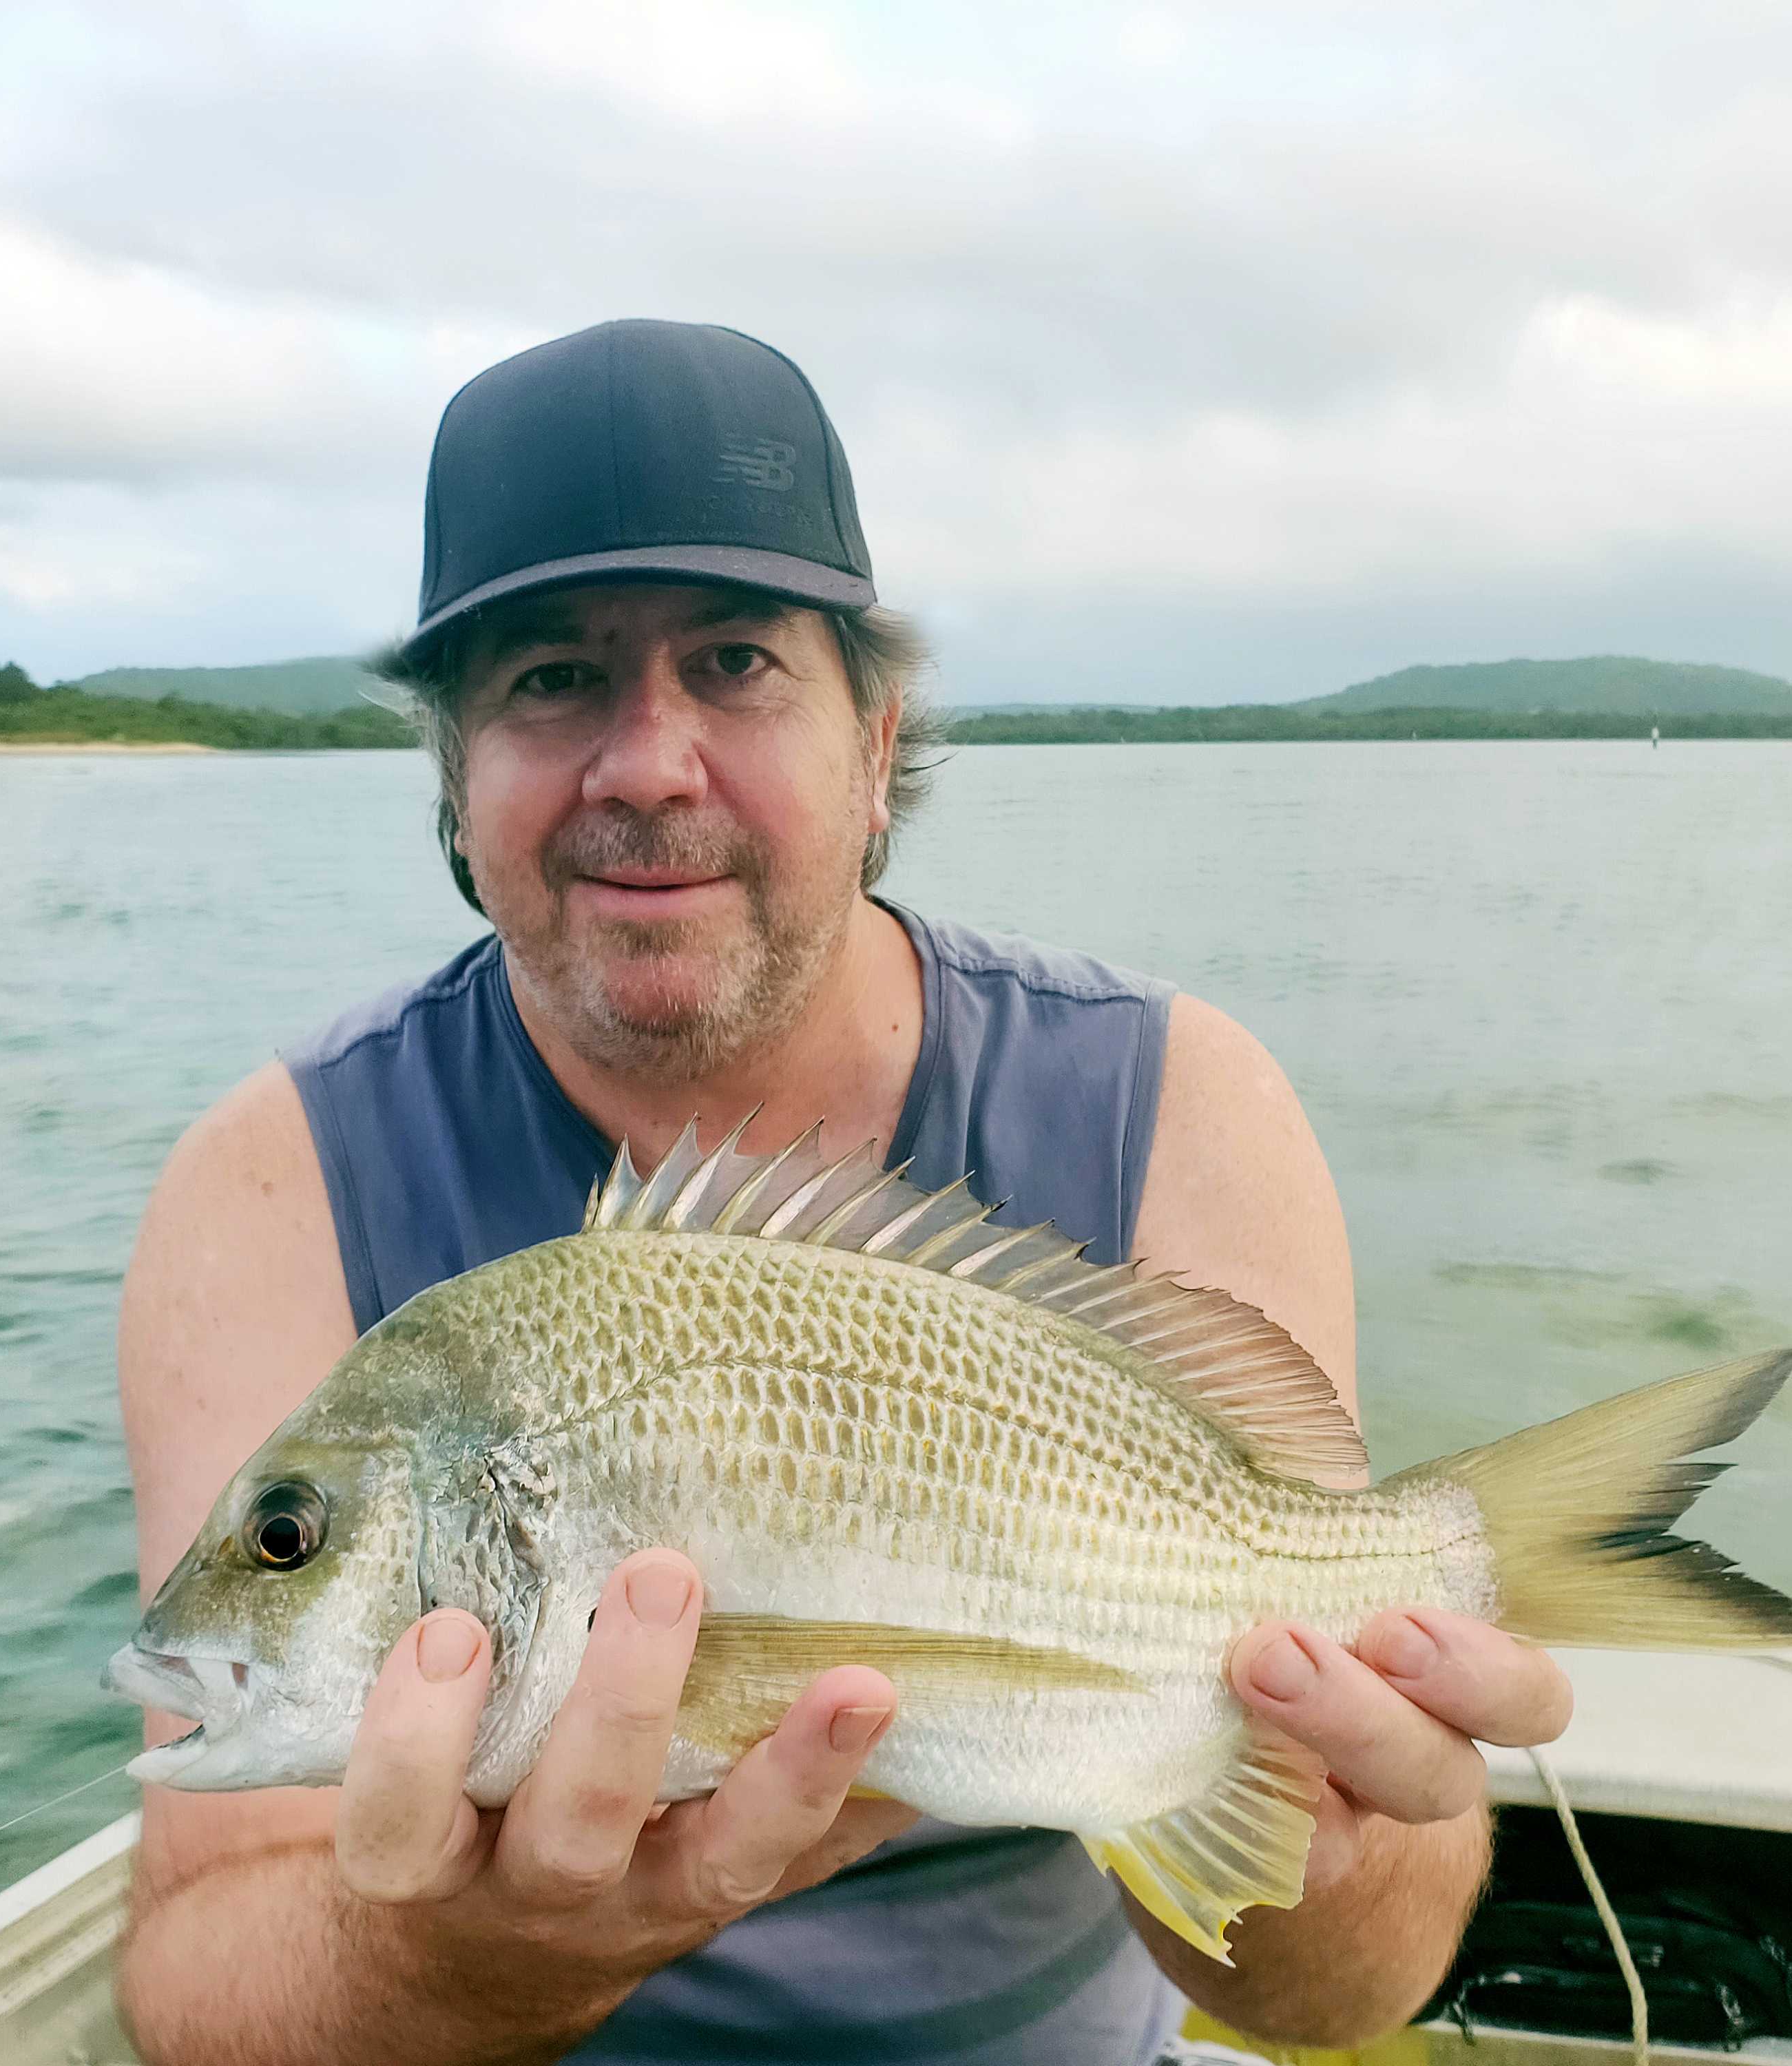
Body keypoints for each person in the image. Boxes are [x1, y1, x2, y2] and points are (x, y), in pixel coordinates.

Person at [113, 319, 1572, 2065]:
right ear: (455, 779)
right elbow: (200, 1981)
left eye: (733, 662)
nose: (648, 763)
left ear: (880, 747)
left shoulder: (1179, 1101)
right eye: (548, 680)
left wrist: (1337, 1845)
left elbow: (1339, 1998)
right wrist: (476, 1960)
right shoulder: (270, 1182)